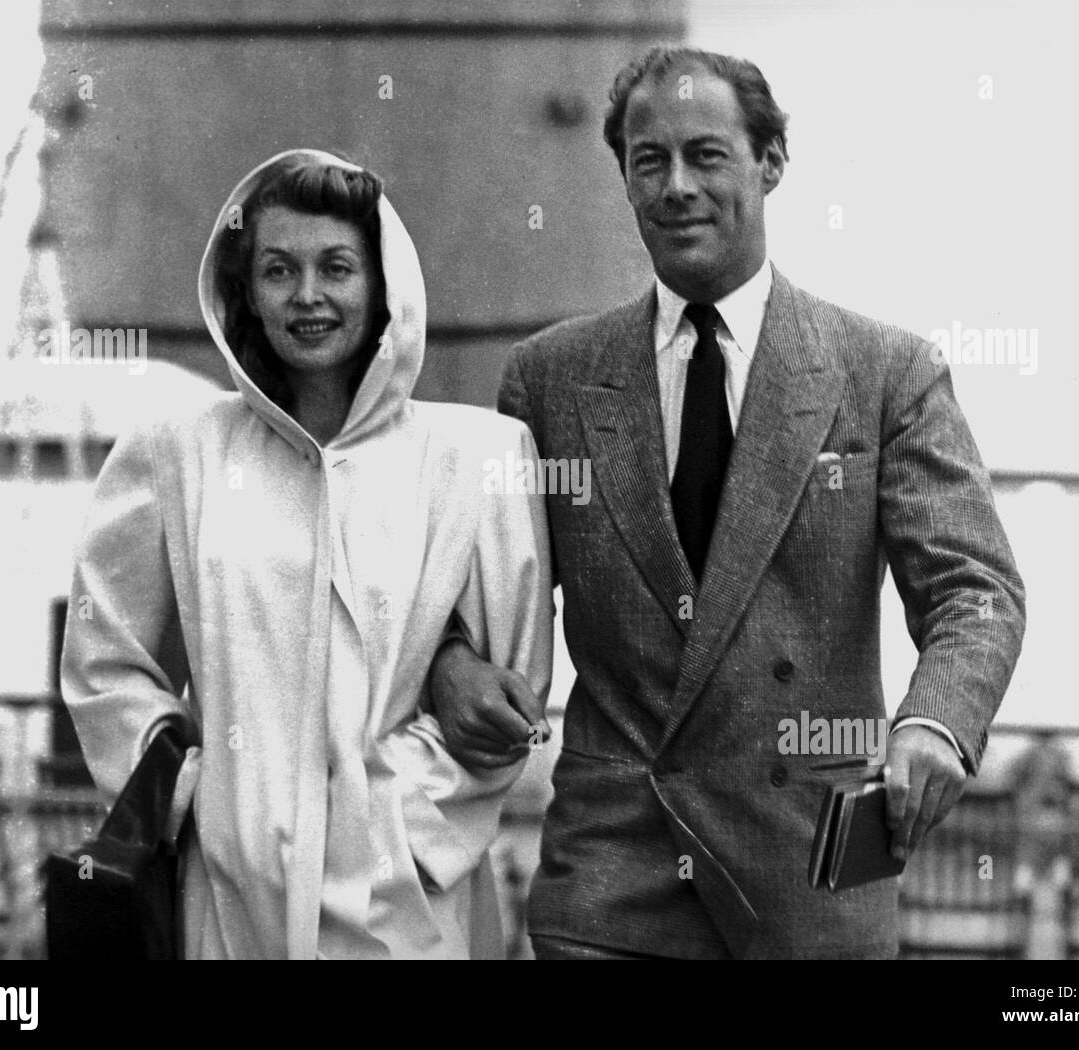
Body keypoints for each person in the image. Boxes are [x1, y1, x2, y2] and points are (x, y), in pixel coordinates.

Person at [429, 47, 1026, 959]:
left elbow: (974, 591)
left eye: (707, 155)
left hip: (816, 875)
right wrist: (453, 665)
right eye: (647, 160)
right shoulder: (548, 380)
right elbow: (465, 596)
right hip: (611, 881)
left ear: (770, 163)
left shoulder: (885, 373)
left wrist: (935, 724)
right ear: (623, 177)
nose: (676, 187)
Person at [60, 149, 553, 959]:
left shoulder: (478, 457)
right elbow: (104, 659)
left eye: (337, 267)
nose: (309, 296)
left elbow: (512, 697)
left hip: (411, 917)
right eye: (279, 270)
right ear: (245, 291)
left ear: (382, 283)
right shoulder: (176, 451)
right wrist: (203, 802)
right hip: (226, 904)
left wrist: (387, 835)